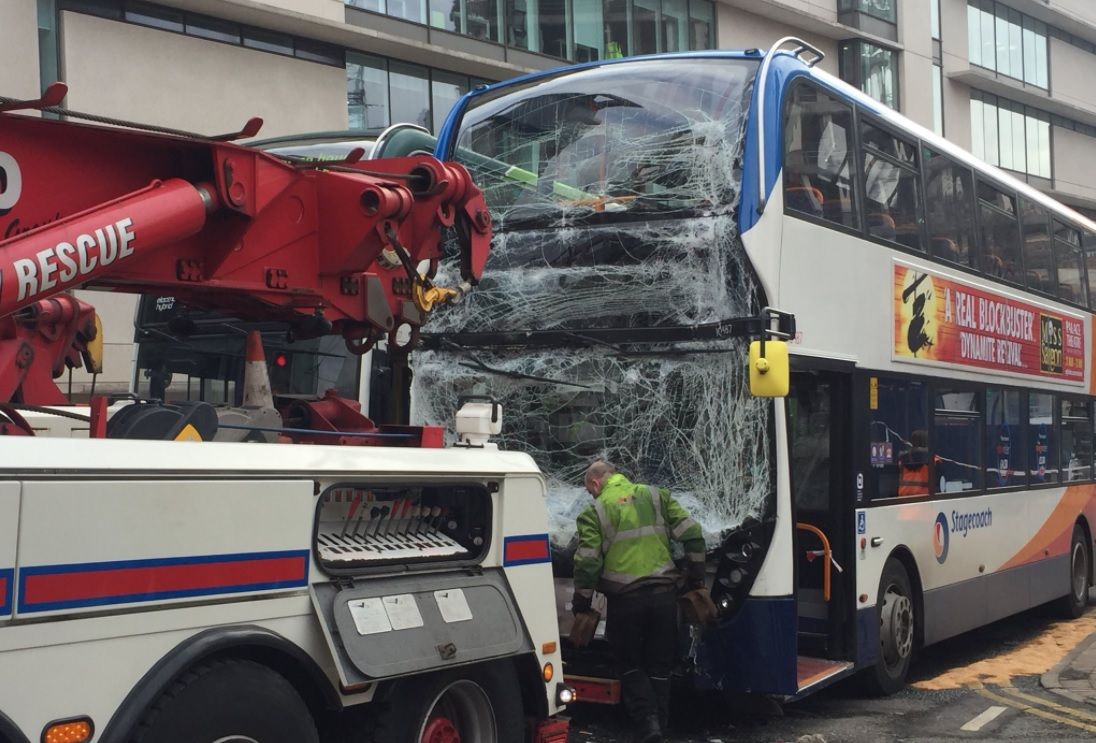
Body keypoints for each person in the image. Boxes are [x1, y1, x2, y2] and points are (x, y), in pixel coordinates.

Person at [571, 461, 705, 743]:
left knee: (629, 664)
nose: (591, 495)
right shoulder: (656, 496)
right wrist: (696, 579)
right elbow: (693, 534)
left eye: (589, 490)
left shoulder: (594, 511)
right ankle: (661, 728)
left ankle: (648, 726)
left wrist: (582, 602)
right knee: (659, 665)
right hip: (664, 597)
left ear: (595, 484)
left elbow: (588, 562)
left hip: (626, 601)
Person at [897, 429, 931, 497]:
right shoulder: (931, 457)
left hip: (903, 496)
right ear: (925, 441)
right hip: (923, 497)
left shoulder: (902, 458)